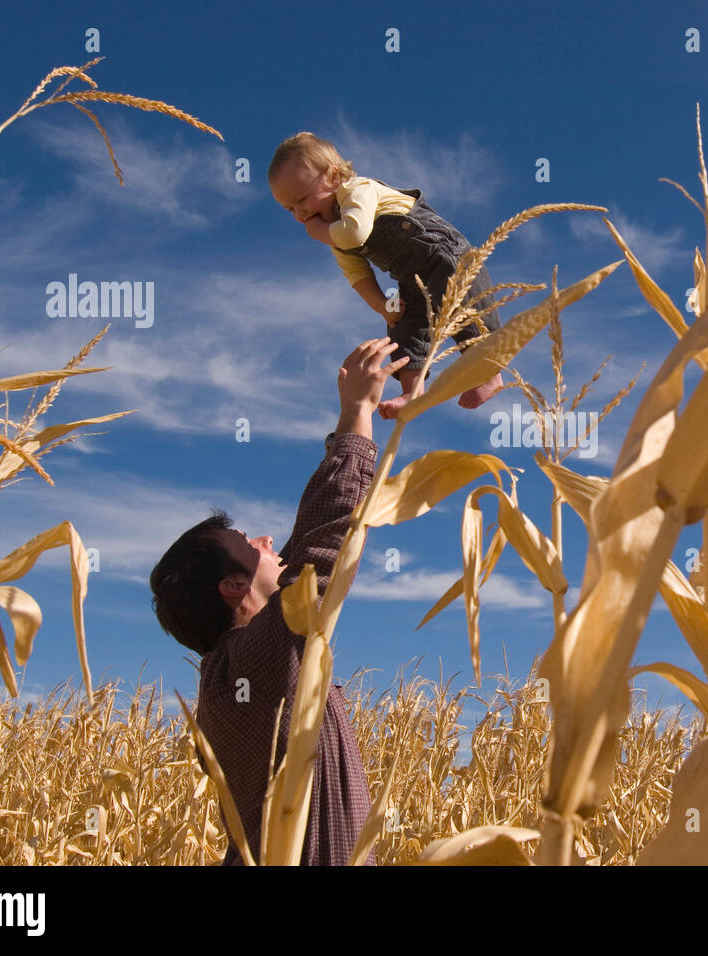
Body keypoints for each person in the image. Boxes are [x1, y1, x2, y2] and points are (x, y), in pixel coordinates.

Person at [150, 338, 408, 866]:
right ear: (232, 587)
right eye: (253, 544)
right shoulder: (259, 658)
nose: (269, 541)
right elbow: (326, 542)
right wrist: (359, 411)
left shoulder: (236, 670)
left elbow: (302, 557)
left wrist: (348, 429)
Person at [267, 131, 505, 420]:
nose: (300, 213)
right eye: (290, 208)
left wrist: (320, 233)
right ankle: (412, 391)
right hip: (411, 276)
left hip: (444, 255)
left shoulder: (358, 190)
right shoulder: (335, 232)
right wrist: (381, 305)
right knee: (403, 327)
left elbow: (355, 232)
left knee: (466, 308)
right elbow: (356, 273)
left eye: (302, 199)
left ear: (332, 176)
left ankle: (489, 374)